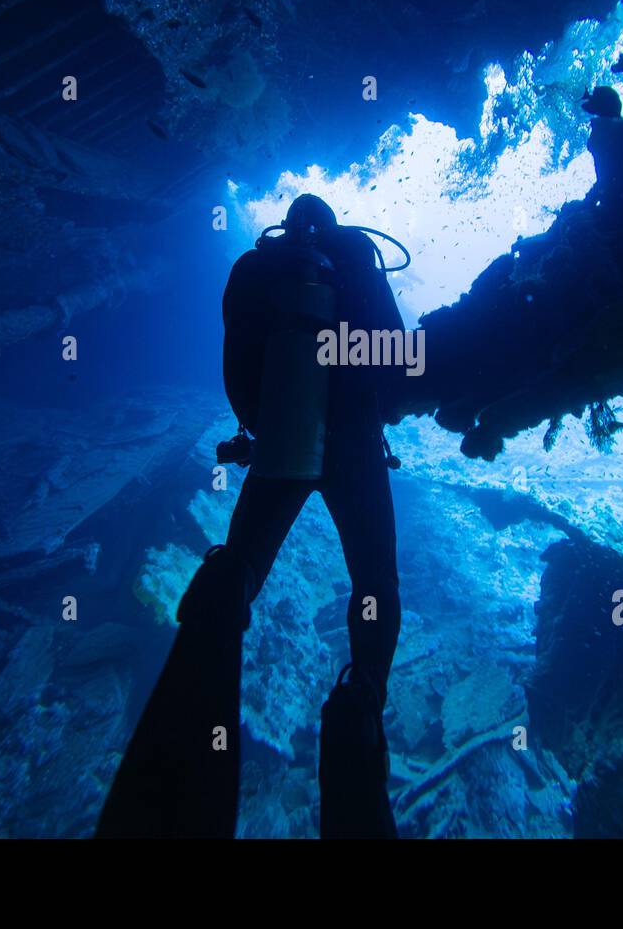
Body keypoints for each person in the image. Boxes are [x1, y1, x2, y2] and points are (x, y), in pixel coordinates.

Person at [96, 194, 404, 839]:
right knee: (375, 586)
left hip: (281, 440)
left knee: (236, 571)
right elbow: (395, 356)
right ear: (336, 227)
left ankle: (196, 672)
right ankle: (359, 711)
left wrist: (259, 429)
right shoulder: (356, 260)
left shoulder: (257, 267)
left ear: (285, 228)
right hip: (353, 445)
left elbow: (235, 361)